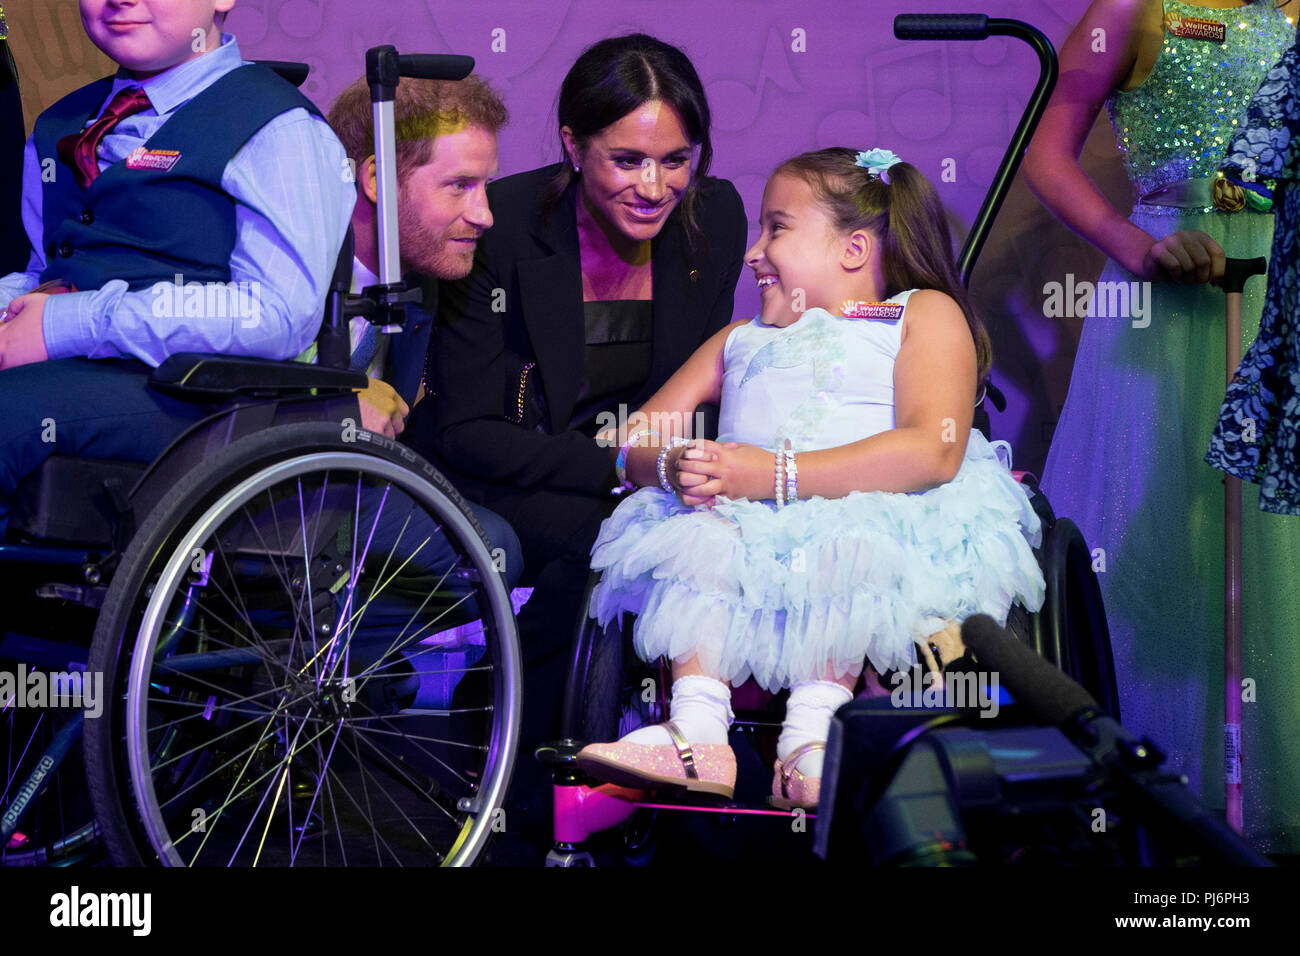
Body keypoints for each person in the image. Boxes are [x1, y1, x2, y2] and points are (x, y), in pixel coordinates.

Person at [573, 148, 1046, 807]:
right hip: (747, 527)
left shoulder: (917, 314)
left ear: (853, 248)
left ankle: (816, 738)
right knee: (692, 535)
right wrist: (671, 464)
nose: (753, 252)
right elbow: (634, 439)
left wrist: (777, 475)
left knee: (850, 542)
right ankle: (697, 729)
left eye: (778, 228)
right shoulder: (741, 339)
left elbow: (931, 450)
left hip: (877, 511)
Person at [407, 34, 748, 778]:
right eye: (627, 160)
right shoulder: (502, 223)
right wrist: (624, 467)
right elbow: (468, 433)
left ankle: (574, 739)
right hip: (509, 471)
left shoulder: (712, 218)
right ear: (573, 145)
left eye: (675, 160)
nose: (655, 186)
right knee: (608, 543)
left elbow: (701, 389)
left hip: (643, 471)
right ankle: (514, 752)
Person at [1022, 0, 1300, 852]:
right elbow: (1046, 154)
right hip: (1173, 297)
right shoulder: (1134, 9)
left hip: (1280, 282)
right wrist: (1135, 248)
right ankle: (1160, 805)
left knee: (1278, 546)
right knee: (1160, 538)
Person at [0, 0, 354, 532]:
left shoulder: (278, 128)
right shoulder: (58, 126)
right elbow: (44, 270)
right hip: (70, 379)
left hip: (194, 400)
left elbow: (279, 316)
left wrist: (72, 323)